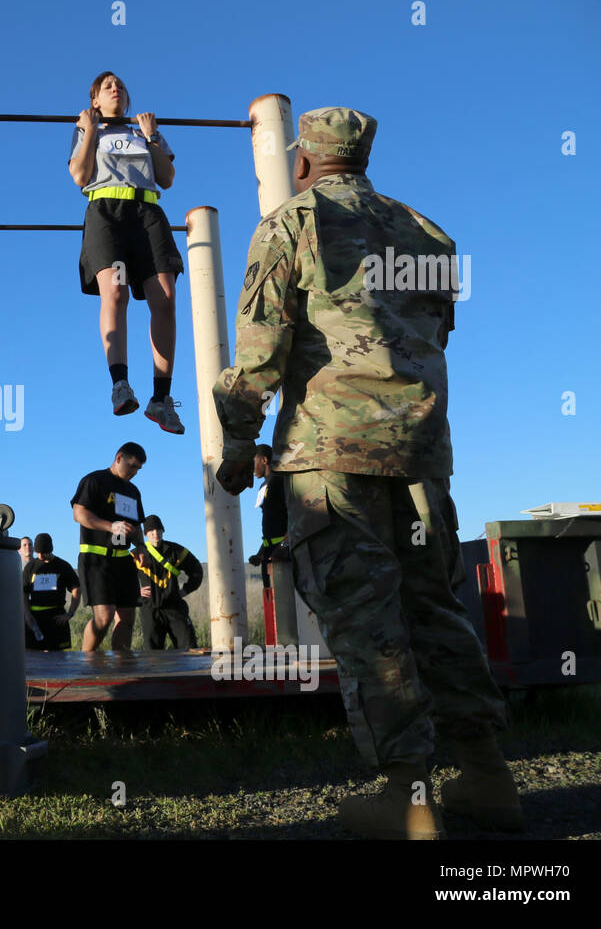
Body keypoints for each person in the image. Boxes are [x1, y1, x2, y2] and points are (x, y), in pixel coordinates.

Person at [213, 108, 519, 839]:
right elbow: (435, 335)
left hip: (331, 453)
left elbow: (261, 348)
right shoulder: (426, 232)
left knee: (366, 621)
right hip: (419, 455)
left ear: (305, 162)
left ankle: (410, 802)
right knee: (435, 611)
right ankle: (487, 777)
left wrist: (236, 444)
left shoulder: (292, 223)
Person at [68, 71, 185, 435]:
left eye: (120, 85)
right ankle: (120, 384)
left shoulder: (143, 131)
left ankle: (161, 398)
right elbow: (79, 175)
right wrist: (88, 131)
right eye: (107, 86)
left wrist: (151, 136)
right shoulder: (88, 130)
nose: (116, 88)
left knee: (165, 300)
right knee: (115, 293)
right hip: (107, 211)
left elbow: (166, 178)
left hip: (147, 212)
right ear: (95, 101)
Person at [71, 442, 146, 650]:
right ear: (118, 458)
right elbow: (79, 514)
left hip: (123, 560)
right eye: (132, 466)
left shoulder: (133, 491)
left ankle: (121, 667)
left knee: (127, 617)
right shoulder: (94, 481)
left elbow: (137, 524)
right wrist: (111, 526)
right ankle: (87, 664)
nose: (135, 472)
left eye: (138, 469)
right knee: (104, 617)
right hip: (96, 559)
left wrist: (141, 547)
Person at [134, 515, 202, 650]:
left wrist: (186, 590)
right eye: (151, 530)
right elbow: (123, 579)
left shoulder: (176, 551)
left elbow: (196, 570)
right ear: (145, 534)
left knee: (189, 648)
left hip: (174, 607)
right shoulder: (136, 554)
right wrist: (136, 593)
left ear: (163, 531)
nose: (155, 533)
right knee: (152, 655)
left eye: (158, 529)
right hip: (150, 609)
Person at [22, 533, 80, 651]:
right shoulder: (30, 567)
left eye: (43, 552)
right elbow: (24, 592)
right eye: (38, 552)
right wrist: (27, 615)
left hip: (56, 618)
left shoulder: (63, 566)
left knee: (56, 659)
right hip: (35, 620)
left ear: (50, 549)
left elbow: (76, 588)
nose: (40, 555)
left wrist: (70, 614)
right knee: (32, 657)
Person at [249, 444, 289, 589]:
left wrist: (284, 545)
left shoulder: (280, 481)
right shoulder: (263, 487)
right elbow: (271, 526)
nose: (251, 468)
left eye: (252, 462)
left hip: (284, 555)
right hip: (269, 554)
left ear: (264, 460)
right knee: (270, 601)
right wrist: (260, 554)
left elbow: (293, 516)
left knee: (285, 602)